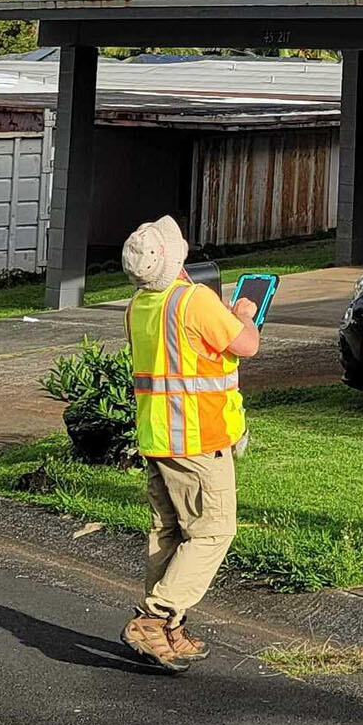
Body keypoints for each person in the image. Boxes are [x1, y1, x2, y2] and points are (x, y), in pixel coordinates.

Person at [117, 215, 260, 672]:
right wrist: (242, 312)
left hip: (158, 438)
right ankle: (152, 620)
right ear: (176, 260)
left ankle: (169, 631)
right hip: (198, 440)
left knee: (169, 532)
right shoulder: (194, 301)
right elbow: (247, 345)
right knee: (215, 531)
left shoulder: (138, 305)